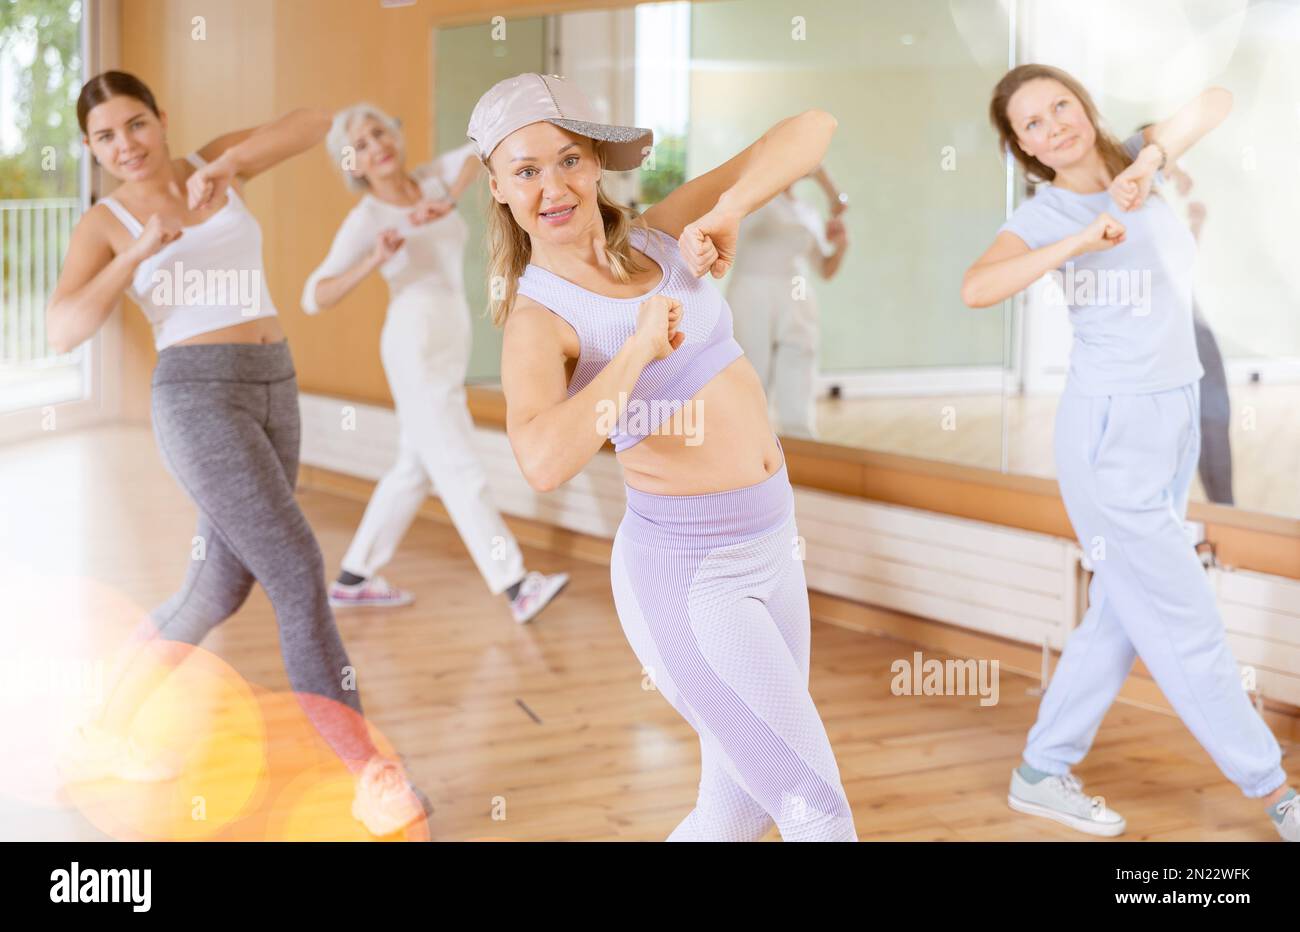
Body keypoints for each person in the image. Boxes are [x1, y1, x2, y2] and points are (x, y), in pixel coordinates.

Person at [469, 72, 857, 841]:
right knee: (816, 809)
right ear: (498, 187)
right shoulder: (538, 319)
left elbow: (814, 125)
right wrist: (638, 351)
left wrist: (731, 210)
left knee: (738, 804)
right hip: (691, 579)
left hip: (774, 545)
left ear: (598, 164)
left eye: (570, 159)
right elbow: (542, 461)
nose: (554, 185)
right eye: (527, 169)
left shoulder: (659, 234)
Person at [46, 71, 426, 836]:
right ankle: (368, 772)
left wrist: (225, 165)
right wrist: (138, 253)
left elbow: (318, 117)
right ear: (90, 149)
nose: (126, 145)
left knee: (215, 589)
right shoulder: (104, 222)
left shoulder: (207, 166)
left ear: (160, 119)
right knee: (294, 566)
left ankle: (103, 726)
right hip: (194, 396)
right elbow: (62, 328)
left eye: (136, 124)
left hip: (271, 382)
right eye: (105, 137)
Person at [962, 63, 1297, 841]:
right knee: (1186, 618)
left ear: (1083, 105)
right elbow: (977, 287)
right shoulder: (1046, 214)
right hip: (1112, 434)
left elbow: (1216, 97)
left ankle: (1043, 770)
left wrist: (1147, 165)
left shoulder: (1137, 159)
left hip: (1173, 412)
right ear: (1026, 149)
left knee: (1121, 611)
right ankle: (1277, 791)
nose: (1054, 126)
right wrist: (1082, 236)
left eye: (1060, 105)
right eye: (1032, 125)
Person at [301, 103, 569, 622]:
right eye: (359, 145)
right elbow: (315, 296)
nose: (374, 145)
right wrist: (374, 260)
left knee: (414, 467)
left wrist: (444, 199)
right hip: (413, 339)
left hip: (449, 336)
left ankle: (355, 578)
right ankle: (515, 584)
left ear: (396, 133)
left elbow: (483, 146)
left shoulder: (431, 180)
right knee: (458, 462)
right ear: (351, 164)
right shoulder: (368, 218)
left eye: (379, 131)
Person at [1134, 121, 1234, 505]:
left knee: (1211, 417)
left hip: (1186, 322)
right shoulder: (1138, 200)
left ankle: (1224, 511)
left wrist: (1195, 223)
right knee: (1198, 420)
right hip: (1165, 329)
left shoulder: (1161, 199)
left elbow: (1179, 264)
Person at [727, 169, 849, 439]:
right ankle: (749, 443)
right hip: (752, 293)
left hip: (797, 296)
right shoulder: (755, 199)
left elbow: (825, 269)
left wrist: (840, 246)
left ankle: (801, 439)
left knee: (799, 367)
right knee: (752, 370)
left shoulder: (807, 211)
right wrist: (821, 179)